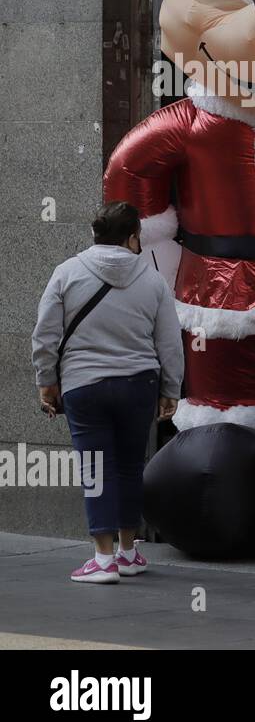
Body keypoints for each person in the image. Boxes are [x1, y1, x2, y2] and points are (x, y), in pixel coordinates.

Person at [31, 201, 183, 584]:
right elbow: (169, 342)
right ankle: (128, 552)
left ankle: (102, 560)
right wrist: (171, 389)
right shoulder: (153, 280)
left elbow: (45, 336)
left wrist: (46, 382)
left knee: (96, 470)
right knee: (131, 466)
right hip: (138, 385)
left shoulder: (67, 272)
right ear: (133, 238)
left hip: (85, 386)